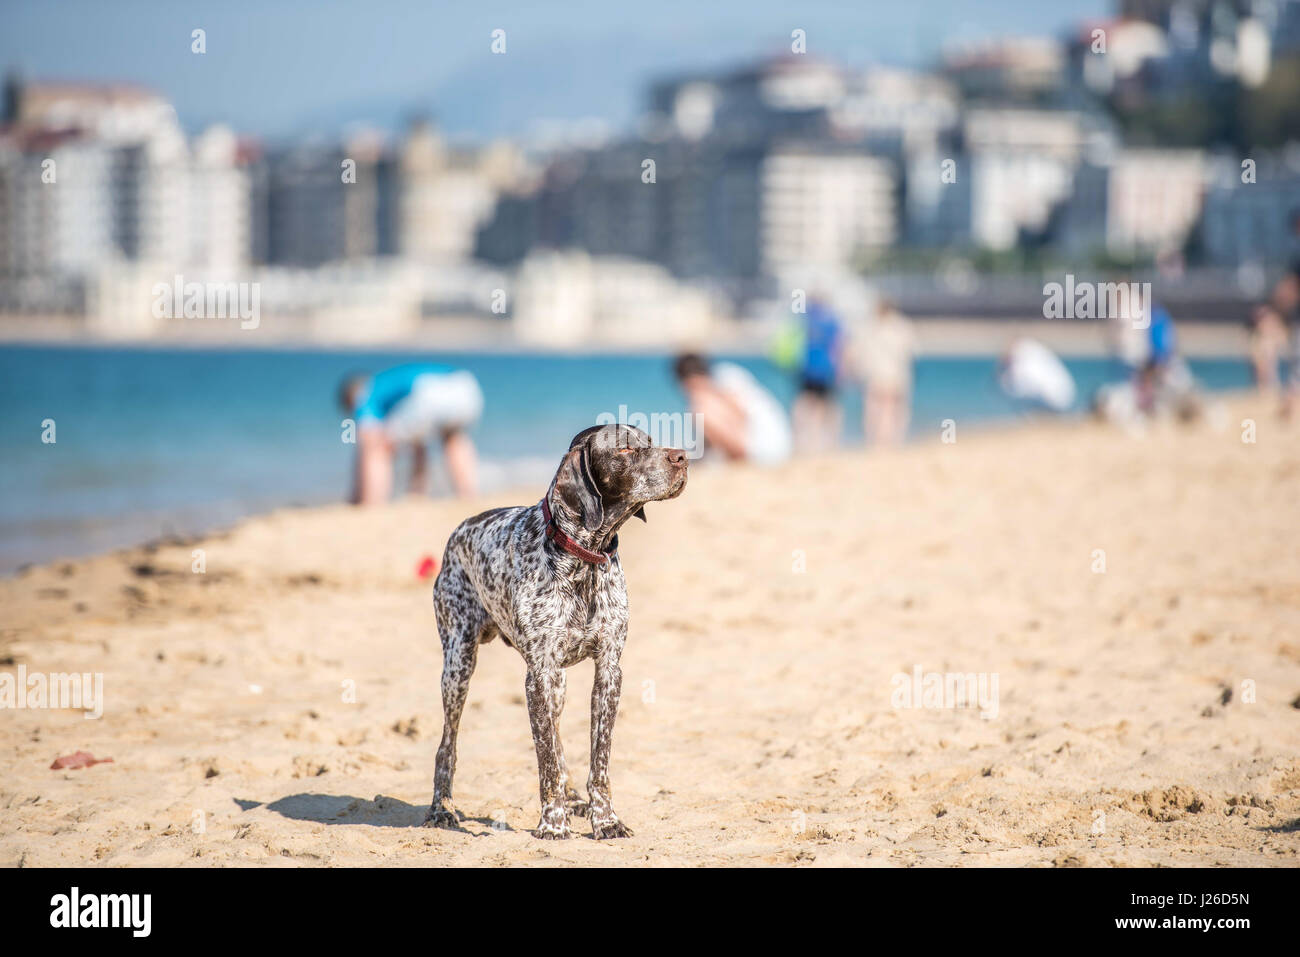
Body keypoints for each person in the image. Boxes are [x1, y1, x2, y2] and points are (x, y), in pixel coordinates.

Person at [338, 363, 483, 504]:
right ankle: (465, 496)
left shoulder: (367, 391)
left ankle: (372, 503)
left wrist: (355, 493)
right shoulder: (388, 382)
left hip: (428, 393)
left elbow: (368, 438)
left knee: (378, 447)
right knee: (452, 435)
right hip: (465, 387)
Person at [672, 353, 791, 466]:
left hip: (765, 448)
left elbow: (740, 417)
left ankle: (735, 459)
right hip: (778, 444)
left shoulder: (721, 381)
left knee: (701, 412)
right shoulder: (725, 374)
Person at [851, 299, 916, 446]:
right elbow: (910, 353)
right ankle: (893, 440)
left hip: (875, 375)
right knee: (894, 410)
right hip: (896, 375)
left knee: (874, 409)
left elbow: (856, 353)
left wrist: (857, 372)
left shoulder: (868, 327)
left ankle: (875, 441)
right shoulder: (901, 327)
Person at [790, 297, 845, 452]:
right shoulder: (832, 321)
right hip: (826, 370)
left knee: (804, 405)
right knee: (828, 408)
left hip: (807, 370)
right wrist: (841, 370)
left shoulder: (804, 320)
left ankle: (802, 440)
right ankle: (829, 441)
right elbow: (839, 348)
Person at [998, 338, 1076, 413]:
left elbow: (1020, 389)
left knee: (1016, 389)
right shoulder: (1033, 350)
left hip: (1055, 400)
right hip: (1065, 397)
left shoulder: (1022, 362)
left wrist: (1003, 377)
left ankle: (1038, 415)